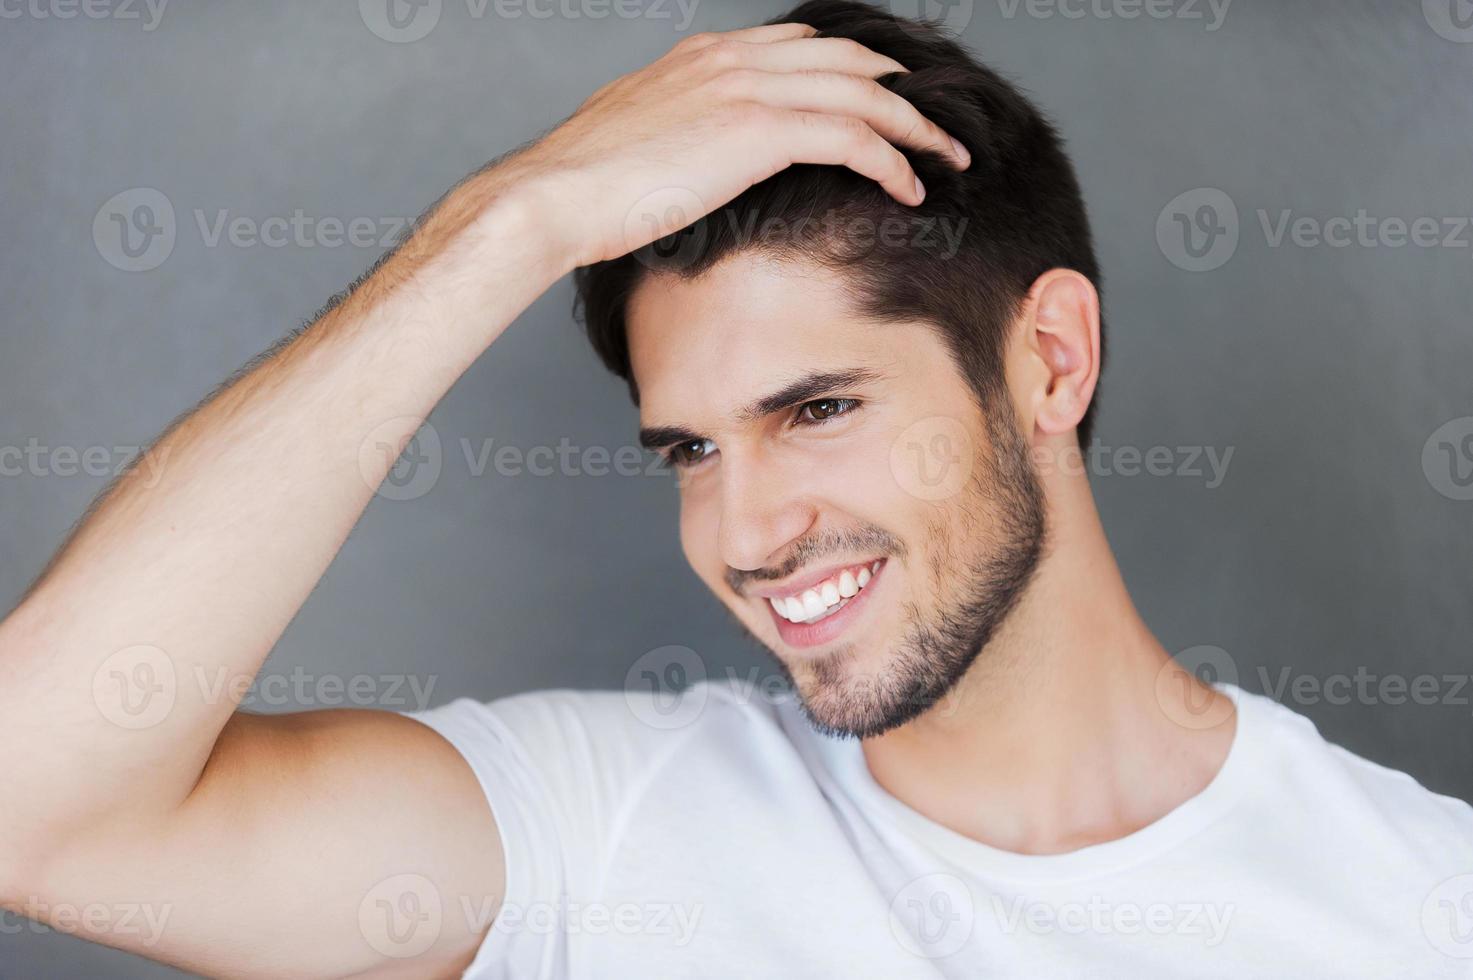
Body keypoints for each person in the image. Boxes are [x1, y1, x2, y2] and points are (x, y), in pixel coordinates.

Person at [2, 1, 1469, 976]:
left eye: (815, 409)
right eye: (688, 449)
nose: (743, 533)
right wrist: (504, 224)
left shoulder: (1421, 906)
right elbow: (35, 811)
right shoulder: (597, 830)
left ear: (1048, 359)